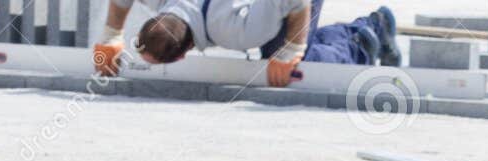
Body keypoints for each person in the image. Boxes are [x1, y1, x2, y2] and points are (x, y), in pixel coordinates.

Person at [94, 1, 400, 83]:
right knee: (275, 46)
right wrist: (111, 37)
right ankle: (350, 35)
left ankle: (362, 38)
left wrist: (290, 52)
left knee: (291, 67)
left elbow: (296, 2)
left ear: (181, 57)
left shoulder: (237, 30)